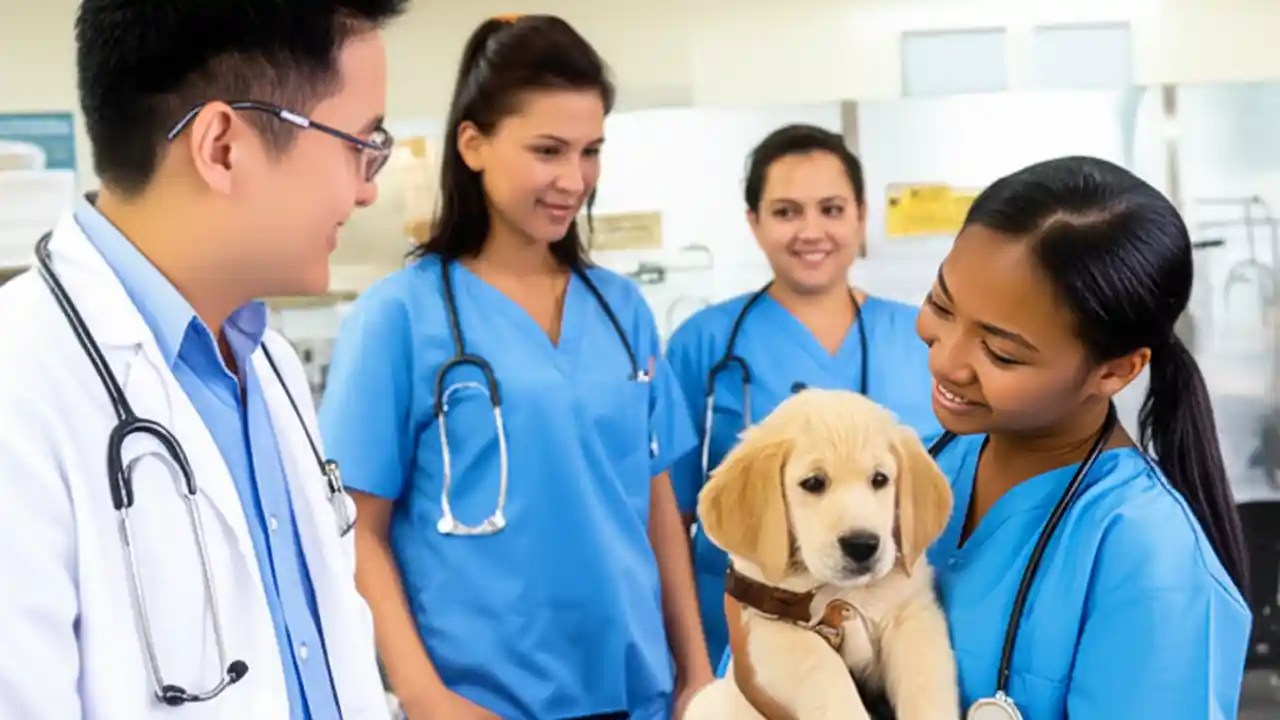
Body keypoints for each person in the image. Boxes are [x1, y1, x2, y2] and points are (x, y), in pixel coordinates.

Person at [719, 155, 1254, 718]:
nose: (947, 360)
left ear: (1115, 371)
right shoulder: (918, 467)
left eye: (1000, 351)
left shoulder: (1146, 556)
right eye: (941, 305)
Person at [0, 1, 406, 718]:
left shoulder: (265, 362)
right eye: (359, 143)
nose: (367, 186)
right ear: (222, 146)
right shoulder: (20, 384)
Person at [317, 14, 714, 720]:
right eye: (548, 150)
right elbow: (356, 532)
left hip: (637, 695)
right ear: (473, 144)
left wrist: (696, 674)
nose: (574, 179)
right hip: (482, 705)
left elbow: (657, 508)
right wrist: (423, 695)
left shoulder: (623, 312)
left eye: (591, 151)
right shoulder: (400, 318)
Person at [664, 123, 942, 664]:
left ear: (861, 216)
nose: (810, 230)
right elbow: (670, 516)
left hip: (890, 636)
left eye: (831, 210)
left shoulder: (920, 339)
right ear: (754, 222)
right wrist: (691, 666)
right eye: (787, 211)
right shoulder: (705, 342)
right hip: (747, 632)